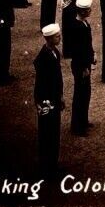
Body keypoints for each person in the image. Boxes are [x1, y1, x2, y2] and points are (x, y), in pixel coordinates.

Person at [34, 23, 64, 178]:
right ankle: (46, 166)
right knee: (47, 132)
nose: (60, 38)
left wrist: (60, 96)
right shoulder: (44, 57)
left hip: (54, 97)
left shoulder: (54, 52)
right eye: (57, 36)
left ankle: (53, 163)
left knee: (54, 131)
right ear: (49, 38)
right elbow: (43, 83)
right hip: (46, 99)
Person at [69, 0, 95, 135]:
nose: (90, 11)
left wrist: (92, 55)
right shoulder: (77, 27)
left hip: (85, 63)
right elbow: (79, 50)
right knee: (80, 94)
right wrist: (85, 67)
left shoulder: (83, 23)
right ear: (83, 11)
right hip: (81, 65)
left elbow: (87, 45)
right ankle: (77, 126)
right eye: (88, 9)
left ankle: (83, 120)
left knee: (85, 93)